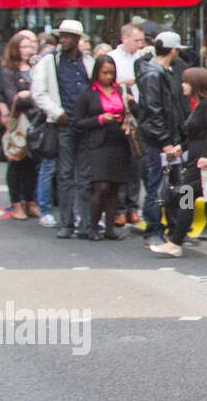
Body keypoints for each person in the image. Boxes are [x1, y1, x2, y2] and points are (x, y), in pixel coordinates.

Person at [149, 68, 207, 258]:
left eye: (186, 82)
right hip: (204, 159)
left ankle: (175, 242)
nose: (182, 85)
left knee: (186, 193)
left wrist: (205, 156)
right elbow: (197, 135)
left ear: (196, 84)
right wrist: (181, 148)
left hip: (204, 162)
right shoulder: (202, 105)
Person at [31, 20, 95, 239]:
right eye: (62, 36)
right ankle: (66, 223)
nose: (63, 40)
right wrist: (56, 113)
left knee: (85, 176)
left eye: (68, 36)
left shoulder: (88, 61)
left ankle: (86, 224)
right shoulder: (50, 61)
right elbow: (38, 92)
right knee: (65, 174)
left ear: (78, 39)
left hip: (85, 124)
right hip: (64, 123)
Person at [74, 55, 134, 240]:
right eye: (104, 73)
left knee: (115, 188)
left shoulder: (122, 90)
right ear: (97, 73)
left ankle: (109, 228)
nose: (108, 77)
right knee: (101, 186)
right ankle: (93, 226)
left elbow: (136, 113)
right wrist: (100, 119)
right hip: (98, 144)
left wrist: (131, 105)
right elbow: (77, 122)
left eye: (111, 73)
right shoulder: (88, 93)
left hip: (119, 142)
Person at [136, 32, 186, 244]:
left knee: (173, 185)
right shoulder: (154, 75)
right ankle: (153, 230)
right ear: (172, 50)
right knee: (157, 186)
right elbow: (154, 112)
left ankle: (174, 229)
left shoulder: (158, 72)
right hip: (157, 142)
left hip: (166, 140)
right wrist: (166, 141)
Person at [0, 31, 40, 220]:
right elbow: (14, 97)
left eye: (31, 46)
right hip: (18, 121)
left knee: (32, 162)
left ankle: (30, 200)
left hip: (36, 120)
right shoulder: (7, 70)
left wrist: (28, 95)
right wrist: (31, 95)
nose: (28, 50)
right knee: (16, 161)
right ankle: (16, 202)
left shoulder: (36, 68)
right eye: (24, 46)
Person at [107, 22, 145, 226]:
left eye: (141, 40)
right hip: (119, 115)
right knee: (121, 163)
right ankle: (119, 208)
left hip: (139, 113)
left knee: (136, 162)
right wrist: (124, 83)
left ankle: (132, 206)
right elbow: (103, 84)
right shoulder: (112, 58)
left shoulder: (141, 58)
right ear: (125, 38)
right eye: (136, 40)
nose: (140, 44)